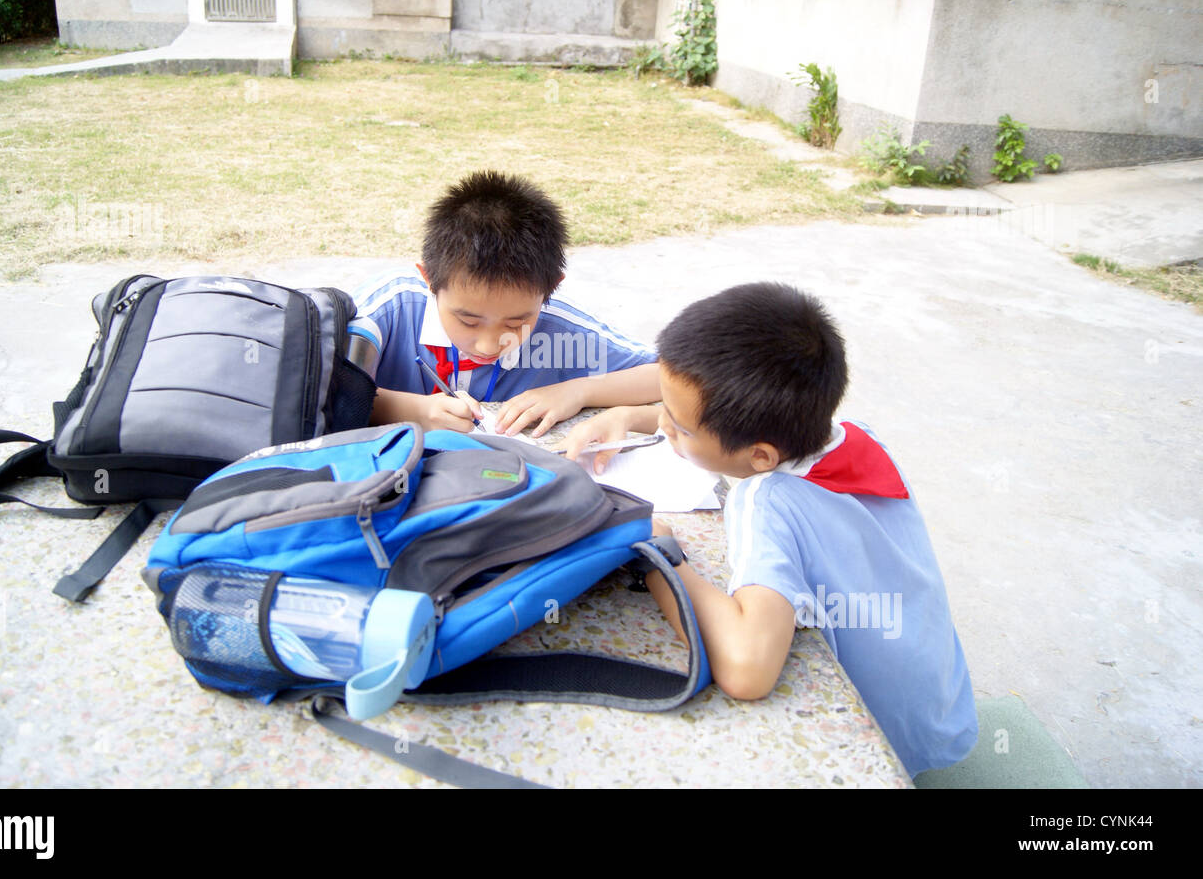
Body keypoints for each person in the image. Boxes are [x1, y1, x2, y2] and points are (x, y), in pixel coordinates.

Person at [562, 282, 977, 777]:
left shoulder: (767, 498)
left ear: (760, 457)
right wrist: (629, 416)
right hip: (938, 710)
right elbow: (714, 425)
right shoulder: (855, 437)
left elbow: (747, 669)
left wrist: (657, 551)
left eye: (678, 426)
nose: (665, 428)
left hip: (872, 749)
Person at [351, 170, 660, 435]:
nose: (488, 346)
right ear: (429, 278)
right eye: (468, 321)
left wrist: (578, 390)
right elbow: (314, 381)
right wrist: (405, 408)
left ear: (550, 289)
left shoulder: (560, 330)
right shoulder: (389, 310)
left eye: (515, 323)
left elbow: (673, 376)